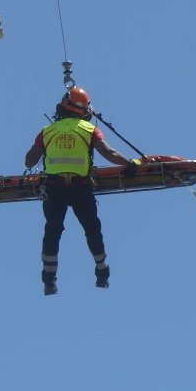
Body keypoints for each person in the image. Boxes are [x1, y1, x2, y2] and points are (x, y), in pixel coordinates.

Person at [24, 86, 139, 296]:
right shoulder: (88, 129)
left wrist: (48, 149)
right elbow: (108, 152)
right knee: (92, 229)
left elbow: (29, 161)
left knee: (52, 231)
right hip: (80, 188)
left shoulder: (47, 131)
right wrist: (129, 164)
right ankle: (102, 271)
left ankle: (49, 280)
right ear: (84, 110)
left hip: (54, 188)